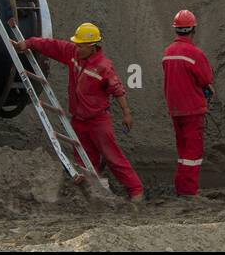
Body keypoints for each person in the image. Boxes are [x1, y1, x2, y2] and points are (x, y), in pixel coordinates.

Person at [13, 22, 144, 203]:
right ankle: (95, 192)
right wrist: (29, 43)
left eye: (81, 45)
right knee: (84, 159)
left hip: (98, 120)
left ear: (92, 47)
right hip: (79, 119)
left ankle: (136, 190)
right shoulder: (73, 54)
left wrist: (126, 113)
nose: (77, 47)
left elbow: (118, 90)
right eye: (77, 44)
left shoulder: (103, 67)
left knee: (112, 156)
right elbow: (52, 45)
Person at [162, 8, 214, 197]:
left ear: (176, 30)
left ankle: (181, 187)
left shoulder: (168, 52)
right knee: (192, 154)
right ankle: (189, 191)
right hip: (192, 110)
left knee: (183, 151)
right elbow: (206, 78)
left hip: (175, 109)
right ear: (193, 29)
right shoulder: (195, 53)